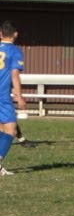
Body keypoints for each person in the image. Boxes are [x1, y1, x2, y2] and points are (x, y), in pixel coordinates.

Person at [0, 21, 27, 176]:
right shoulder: (15, 51)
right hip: (2, 96)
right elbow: (15, 74)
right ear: (15, 34)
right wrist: (19, 96)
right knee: (11, 131)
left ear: (0, 34)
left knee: (1, 130)